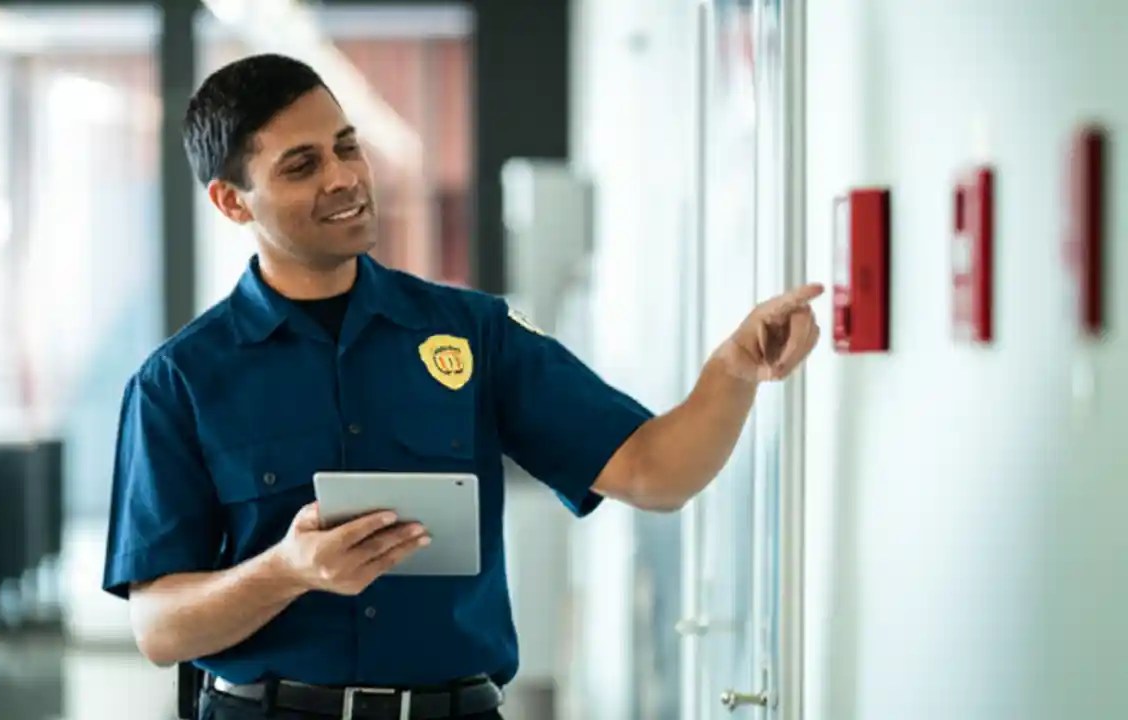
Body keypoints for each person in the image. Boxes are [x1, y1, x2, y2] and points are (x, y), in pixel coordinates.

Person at [102, 53, 822, 720]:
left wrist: (732, 369)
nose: (344, 177)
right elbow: (161, 628)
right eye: (302, 165)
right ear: (232, 202)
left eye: (347, 147)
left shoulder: (471, 332)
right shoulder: (180, 382)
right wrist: (288, 572)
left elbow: (657, 472)